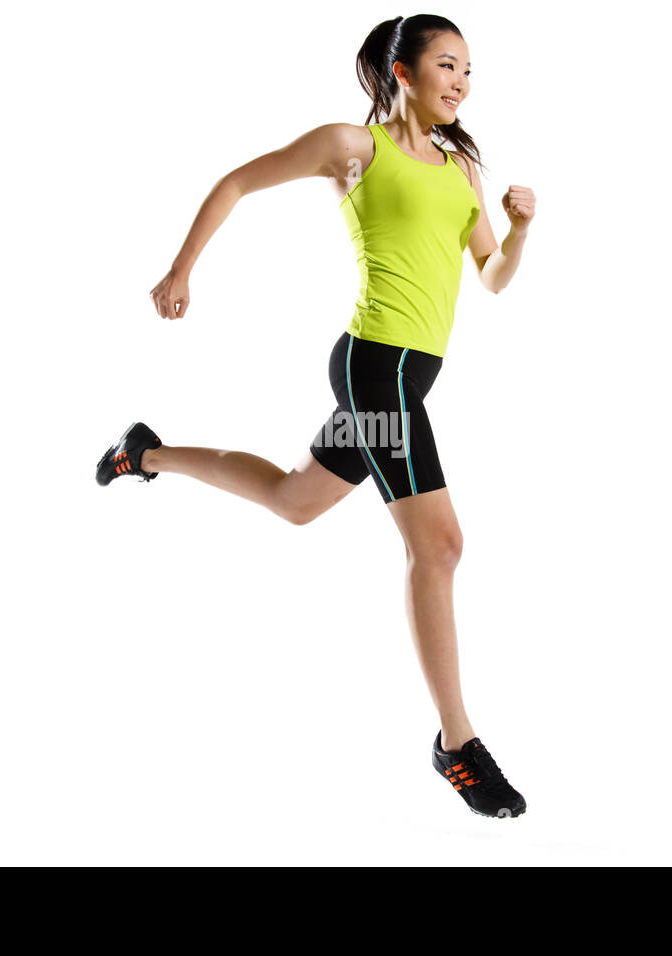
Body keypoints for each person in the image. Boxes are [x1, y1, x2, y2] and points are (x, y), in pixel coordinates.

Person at [96, 14, 536, 818]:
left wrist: (525, 226)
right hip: (378, 370)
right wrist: (180, 270)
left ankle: (146, 453)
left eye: (470, 70)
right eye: (447, 65)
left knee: (295, 502)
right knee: (439, 545)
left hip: (410, 377)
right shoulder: (353, 148)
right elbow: (235, 182)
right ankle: (457, 744)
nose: (462, 82)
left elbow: (494, 277)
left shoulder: (462, 164)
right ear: (402, 72)